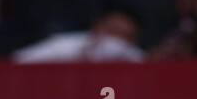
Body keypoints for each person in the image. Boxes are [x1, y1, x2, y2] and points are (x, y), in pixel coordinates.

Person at [13, 4, 145, 63]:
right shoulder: (65, 45)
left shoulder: (134, 56)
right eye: (112, 32)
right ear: (97, 28)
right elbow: (20, 59)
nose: (115, 43)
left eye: (124, 36)